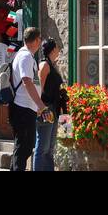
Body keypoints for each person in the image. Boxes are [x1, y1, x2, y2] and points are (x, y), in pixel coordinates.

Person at [9, 27, 44, 171]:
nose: (40, 42)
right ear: (36, 40)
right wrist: (40, 104)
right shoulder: (25, 57)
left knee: (25, 146)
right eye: (39, 39)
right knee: (23, 146)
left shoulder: (27, 56)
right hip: (22, 107)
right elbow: (27, 81)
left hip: (26, 107)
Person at [34, 38, 69, 172]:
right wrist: (39, 107)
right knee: (43, 145)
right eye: (57, 48)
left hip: (53, 108)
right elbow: (39, 88)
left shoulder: (51, 64)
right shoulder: (44, 65)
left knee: (50, 147)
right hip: (46, 108)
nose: (59, 51)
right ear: (53, 49)